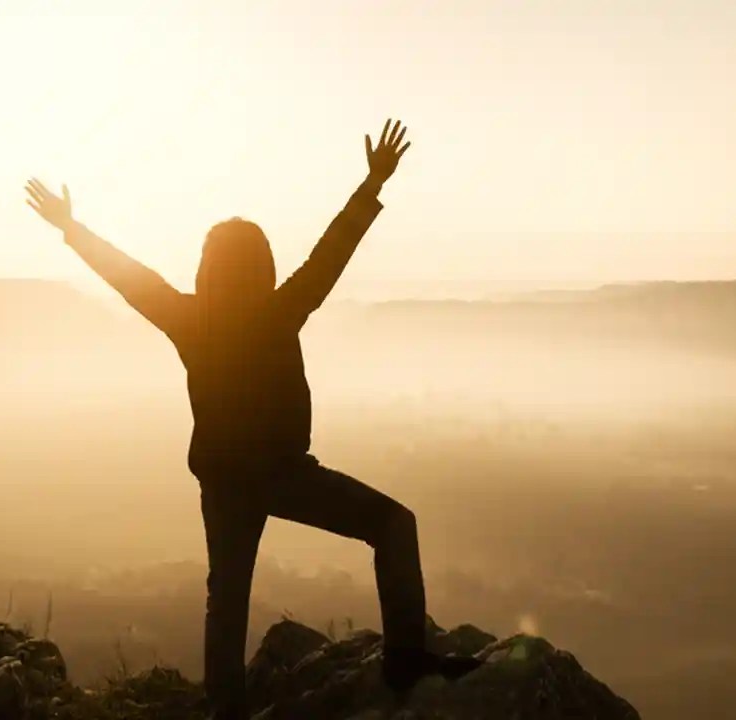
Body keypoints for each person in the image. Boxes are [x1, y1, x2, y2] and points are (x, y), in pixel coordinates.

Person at [24, 119, 481, 718]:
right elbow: (330, 254)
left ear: (207, 269)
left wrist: (71, 228)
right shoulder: (277, 311)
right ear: (260, 266)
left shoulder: (190, 321)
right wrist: (370, 185)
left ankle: (226, 710)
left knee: (228, 597)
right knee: (393, 525)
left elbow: (128, 277)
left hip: (222, 478)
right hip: (282, 472)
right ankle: (404, 661)